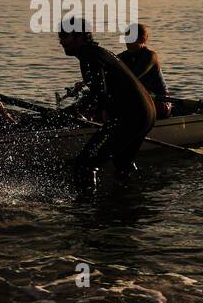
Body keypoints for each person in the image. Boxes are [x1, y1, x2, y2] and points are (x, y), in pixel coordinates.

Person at [58, 17, 156, 188]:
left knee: (85, 164)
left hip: (131, 117)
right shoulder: (97, 52)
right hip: (145, 113)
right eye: (60, 37)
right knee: (122, 163)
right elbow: (102, 93)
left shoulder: (89, 56)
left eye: (65, 37)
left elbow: (98, 95)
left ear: (80, 36)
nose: (61, 42)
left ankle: (88, 210)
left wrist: (71, 111)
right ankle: (132, 202)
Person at [118, 23, 173, 118]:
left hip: (160, 103)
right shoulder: (122, 57)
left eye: (131, 38)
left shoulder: (150, 56)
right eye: (126, 38)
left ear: (142, 39)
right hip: (142, 99)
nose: (127, 42)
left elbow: (133, 77)